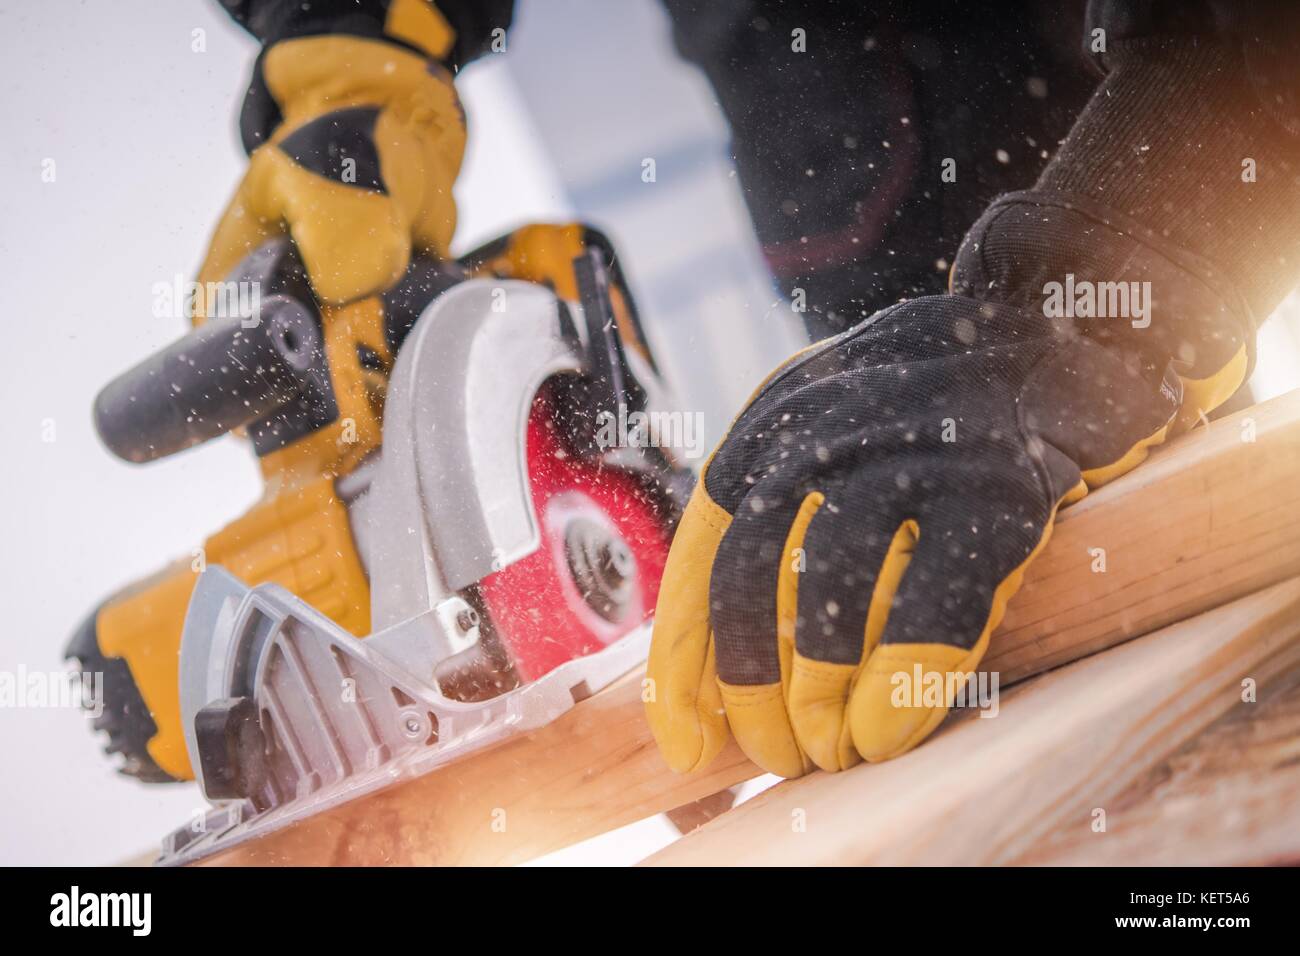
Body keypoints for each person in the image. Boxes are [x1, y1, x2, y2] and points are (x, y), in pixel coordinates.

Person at [129, 0, 1300, 779]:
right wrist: (352, 41)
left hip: (1124, 66)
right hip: (821, 85)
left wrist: (1147, 237)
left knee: (1104, 469)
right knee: (910, 561)